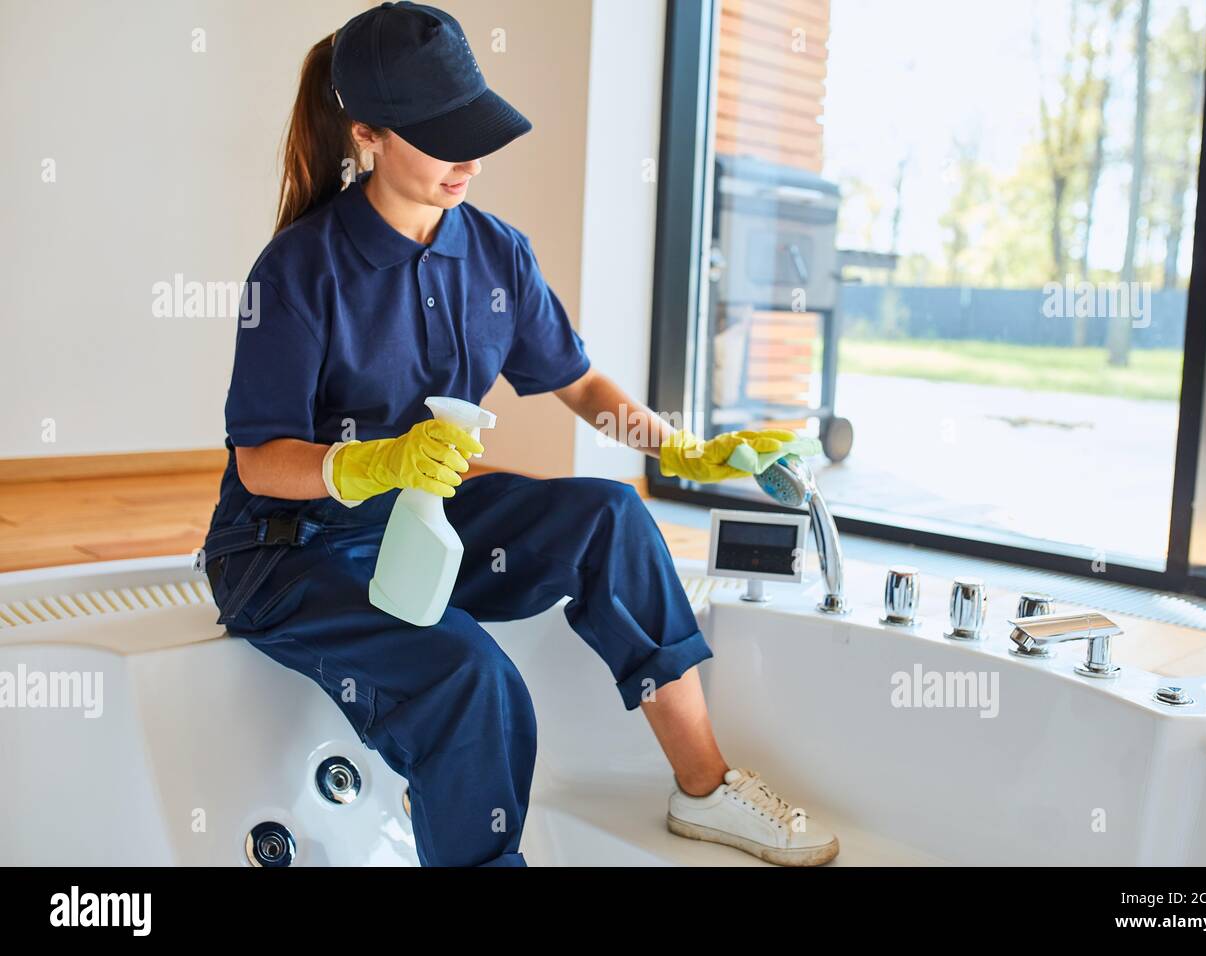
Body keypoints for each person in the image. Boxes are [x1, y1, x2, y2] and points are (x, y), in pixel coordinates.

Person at [203, 1, 839, 867]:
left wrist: (678, 447)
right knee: (472, 678)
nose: (468, 156)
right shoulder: (298, 269)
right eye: (440, 134)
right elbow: (262, 463)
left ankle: (706, 790)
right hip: (293, 550)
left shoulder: (497, 254)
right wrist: (371, 460)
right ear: (369, 134)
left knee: (612, 517)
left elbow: (575, 381)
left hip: (422, 522)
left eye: (476, 128)